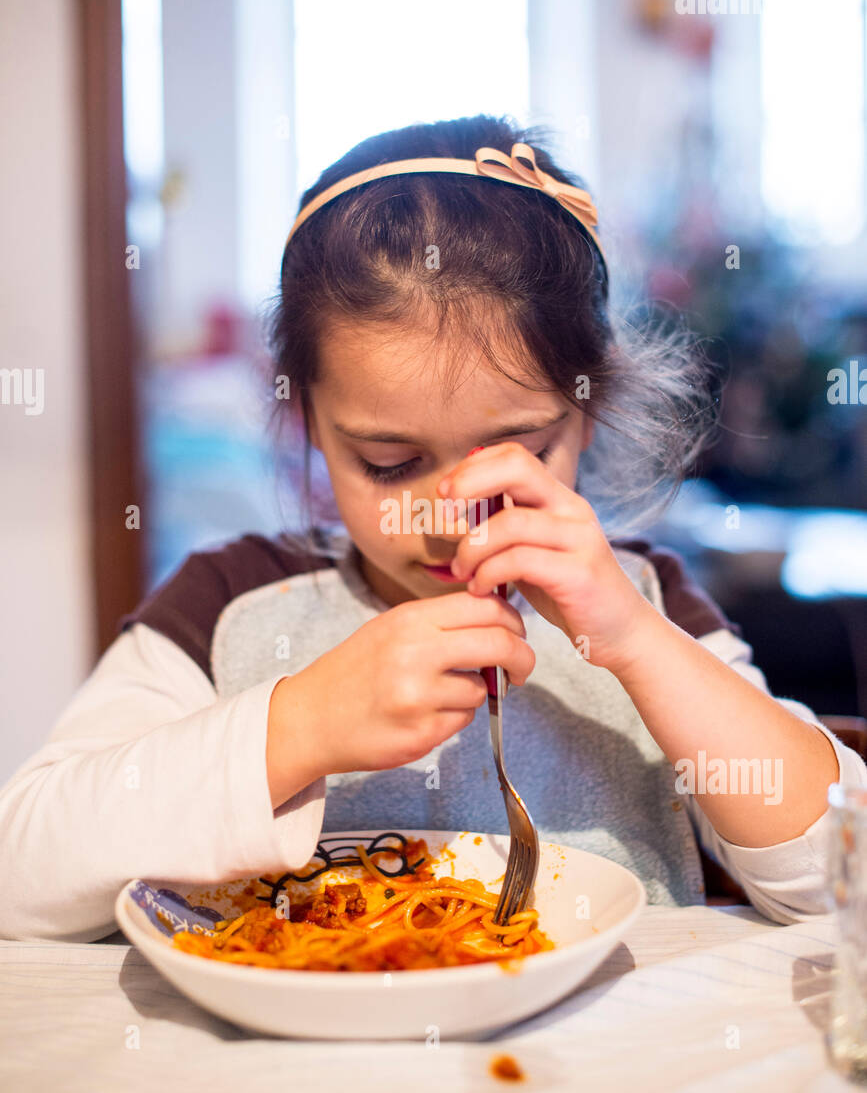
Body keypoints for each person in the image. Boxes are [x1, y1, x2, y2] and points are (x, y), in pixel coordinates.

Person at [2, 114, 863, 942]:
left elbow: (836, 882)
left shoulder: (647, 604)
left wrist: (638, 645)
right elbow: (23, 872)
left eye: (516, 452)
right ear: (306, 418)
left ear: (586, 414)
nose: (450, 518)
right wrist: (296, 725)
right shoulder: (224, 605)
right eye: (388, 462)